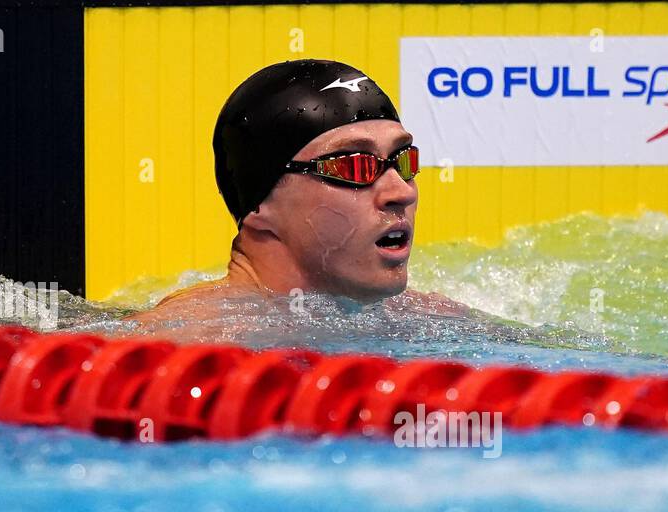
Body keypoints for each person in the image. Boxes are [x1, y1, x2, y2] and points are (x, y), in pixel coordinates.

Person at [139, 59, 461, 320]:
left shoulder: (429, 318)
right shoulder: (193, 334)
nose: (401, 192)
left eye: (403, 161)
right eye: (354, 166)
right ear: (260, 203)